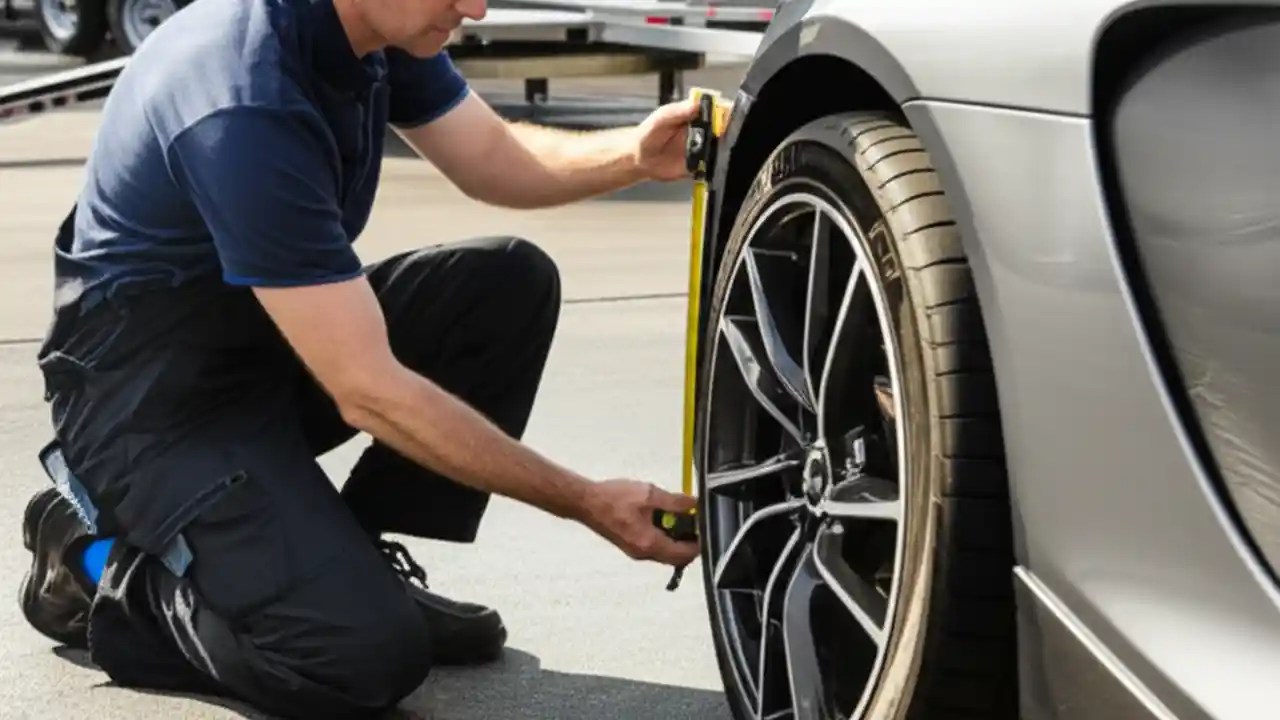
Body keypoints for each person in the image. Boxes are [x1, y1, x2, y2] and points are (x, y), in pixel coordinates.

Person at [18, 0, 703, 716]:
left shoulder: (373, 31)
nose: (475, 7)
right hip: (149, 404)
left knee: (505, 284)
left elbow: (497, 160)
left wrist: (632, 154)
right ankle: (95, 560)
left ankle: (343, 557)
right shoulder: (242, 95)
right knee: (357, 658)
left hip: (265, 341)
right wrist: (589, 503)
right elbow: (368, 391)